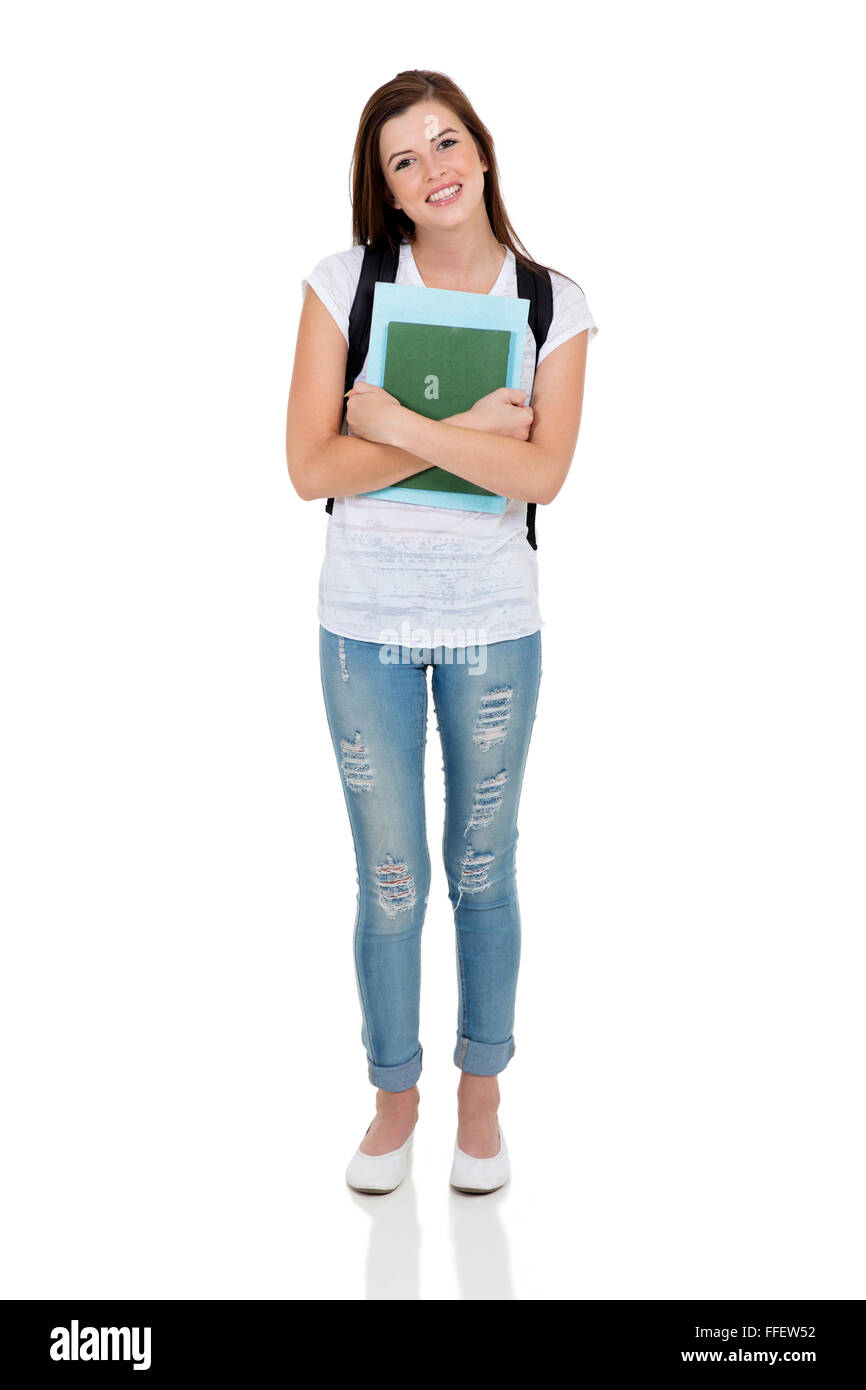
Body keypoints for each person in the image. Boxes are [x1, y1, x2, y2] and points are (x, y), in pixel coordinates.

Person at [285, 69, 598, 1193]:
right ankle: (393, 1098)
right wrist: (475, 435)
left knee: (482, 867)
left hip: (491, 627)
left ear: (483, 150)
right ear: (387, 191)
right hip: (361, 622)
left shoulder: (550, 302)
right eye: (403, 159)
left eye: (446, 141)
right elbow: (309, 467)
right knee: (389, 877)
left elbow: (544, 475)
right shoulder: (342, 284)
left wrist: (406, 422)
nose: (433, 169)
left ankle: (480, 1096)